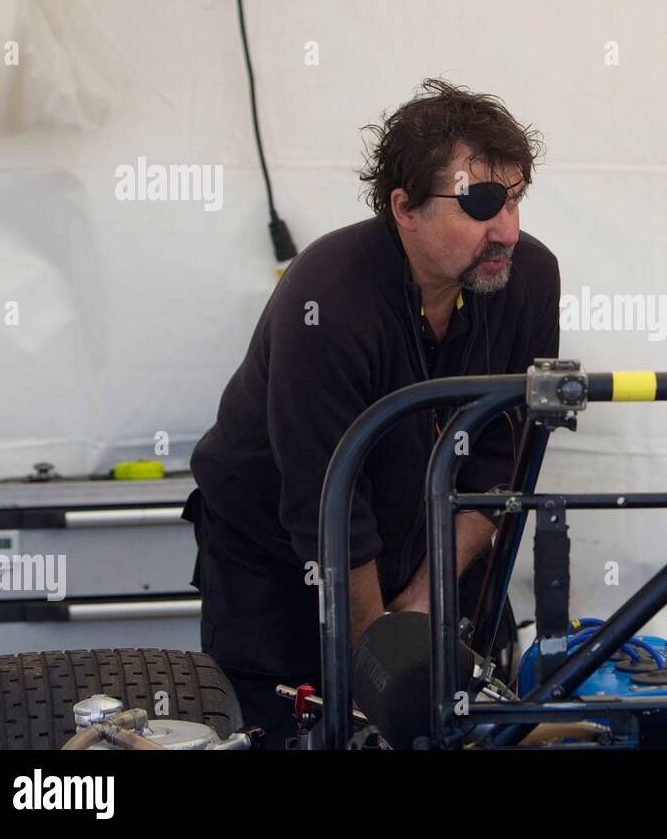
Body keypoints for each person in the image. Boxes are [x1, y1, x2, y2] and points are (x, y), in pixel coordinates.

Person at [185, 79, 560, 744]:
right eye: (478, 202)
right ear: (404, 207)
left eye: (515, 199)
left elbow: (499, 468)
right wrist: (378, 662)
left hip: (424, 552)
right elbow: (327, 510)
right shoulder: (327, 300)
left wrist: (417, 612)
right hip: (280, 563)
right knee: (298, 732)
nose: (506, 228)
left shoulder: (528, 278)